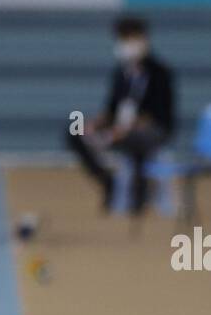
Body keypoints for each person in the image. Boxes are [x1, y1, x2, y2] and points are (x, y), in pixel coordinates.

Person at [67, 17, 176, 213]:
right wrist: (94, 124)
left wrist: (126, 128)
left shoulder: (160, 73)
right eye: (123, 39)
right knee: (75, 133)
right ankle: (108, 183)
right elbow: (111, 109)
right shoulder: (121, 72)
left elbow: (159, 114)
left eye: (130, 38)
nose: (126, 44)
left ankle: (138, 196)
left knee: (135, 139)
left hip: (152, 131)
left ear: (143, 40)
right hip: (121, 128)